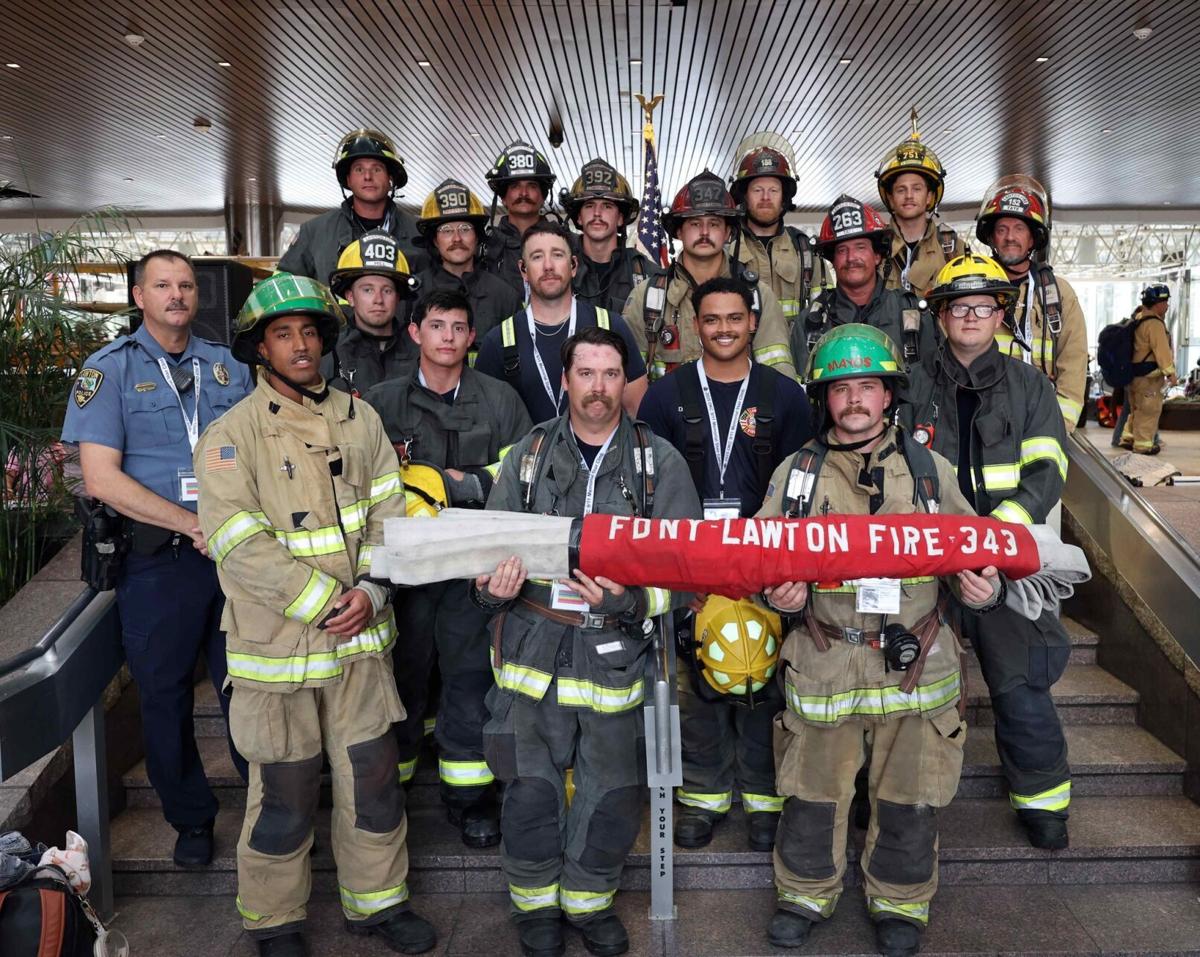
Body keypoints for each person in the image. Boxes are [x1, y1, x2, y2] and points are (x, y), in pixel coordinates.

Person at [194, 273, 435, 957]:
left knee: (376, 784)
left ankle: (379, 903)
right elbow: (238, 545)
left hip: (361, 652)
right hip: (278, 658)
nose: (300, 346)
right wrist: (328, 601)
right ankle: (275, 922)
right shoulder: (229, 437)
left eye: (309, 331)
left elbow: (393, 516)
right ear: (259, 349)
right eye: (283, 333)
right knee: (285, 797)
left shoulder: (363, 420)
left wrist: (373, 591)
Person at [759, 323, 1004, 957]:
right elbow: (760, 557)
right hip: (823, 659)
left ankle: (900, 899)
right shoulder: (797, 475)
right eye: (841, 389)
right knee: (812, 792)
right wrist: (776, 594)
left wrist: (986, 588)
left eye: (868, 385)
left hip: (915, 666)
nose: (855, 400)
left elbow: (974, 549)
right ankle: (805, 893)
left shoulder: (929, 471)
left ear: (889, 393)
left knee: (909, 796)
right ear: (825, 399)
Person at [474, 324, 701, 957]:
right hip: (532, 654)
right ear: (566, 379)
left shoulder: (661, 463)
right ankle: (535, 908)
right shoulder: (527, 455)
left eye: (609, 374)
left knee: (613, 792)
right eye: (585, 373)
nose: (598, 388)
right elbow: (485, 558)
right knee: (529, 790)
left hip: (616, 656)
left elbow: (683, 575)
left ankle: (590, 901)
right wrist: (493, 587)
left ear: (624, 381)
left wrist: (628, 601)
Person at [61, 249, 252, 868]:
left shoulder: (228, 368)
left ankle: (266, 809)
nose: (177, 295)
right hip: (158, 561)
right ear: (138, 297)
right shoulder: (108, 370)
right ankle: (191, 820)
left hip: (233, 559)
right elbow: (100, 479)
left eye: (187, 285)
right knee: (165, 697)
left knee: (248, 687)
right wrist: (191, 524)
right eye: (162, 285)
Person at [637, 275, 813, 852]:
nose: (723, 329)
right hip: (690, 557)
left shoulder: (786, 396)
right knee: (695, 675)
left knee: (764, 677)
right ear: (696, 325)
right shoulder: (666, 396)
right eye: (711, 320)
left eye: (734, 318)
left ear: (753, 321)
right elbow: (652, 481)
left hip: (763, 558)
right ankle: (705, 795)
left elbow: (803, 484)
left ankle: (764, 797)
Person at [904, 254, 1073, 852]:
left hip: (1003, 560)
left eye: (983, 307)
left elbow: (1047, 471)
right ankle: (902, 803)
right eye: (959, 307)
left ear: (1000, 315)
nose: (971, 317)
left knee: (1020, 678)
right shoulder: (912, 384)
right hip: (927, 562)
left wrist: (992, 543)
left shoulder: (1030, 386)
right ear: (942, 316)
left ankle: (1043, 800)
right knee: (904, 678)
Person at [363, 290, 532, 847]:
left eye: (459, 328)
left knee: (468, 678)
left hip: (473, 567)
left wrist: (457, 483)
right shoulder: (379, 403)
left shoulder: (500, 400)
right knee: (400, 675)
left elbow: (521, 472)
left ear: (470, 337)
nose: (448, 338)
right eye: (436, 326)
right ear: (415, 333)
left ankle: (467, 798)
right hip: (400, 571)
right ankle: (395, 792)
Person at [623, 170, 795, 382]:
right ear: (678, 231)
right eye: (695, 223)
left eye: (714, 224)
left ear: (728, 233)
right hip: (666, 415)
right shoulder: (646, 299)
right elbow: (629, 384)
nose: (704, 232)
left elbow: (779, 382)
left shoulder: (758, 296)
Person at [474, 222, 649, 423]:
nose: (548, 266)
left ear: (573, 266)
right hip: (526, 455)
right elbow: (484, 425)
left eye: (557, 255)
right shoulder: (499, 341)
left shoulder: (611, 327)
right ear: (523, 269)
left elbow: (637, 412)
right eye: (537, 257)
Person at [974, 175, 1087, 432]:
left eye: (1019, 229)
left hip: (1044, 419)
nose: (1009, 237)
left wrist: (1061, 424)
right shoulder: (975, 290)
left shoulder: (1058, 294)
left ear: (1033, 238)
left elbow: (1074, 360)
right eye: (1001, 229)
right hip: (984, 421)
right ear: (991, 238)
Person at [792, 195, 936, 378]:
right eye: (842, 250)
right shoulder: (810, 323)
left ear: (877, 256)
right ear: (833, 261)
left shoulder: (912, 312)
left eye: (860, 247)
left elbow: (931, 386)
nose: (851, 258)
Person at [278, 128, 425, 283]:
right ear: (348, 179)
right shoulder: (314, 232)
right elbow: (283, 285)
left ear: (390, 178)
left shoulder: (419, 234)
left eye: (377, 169)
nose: (368, 176)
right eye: (359, 169)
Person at [413, 179, 524, 348]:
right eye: (447, 230)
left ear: (477, 236)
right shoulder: (413, 295)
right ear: (435, 240)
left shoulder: (505, 296)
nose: (457, 238)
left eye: (465, 229)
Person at [728, 138, 827, 325]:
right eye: (757, 190)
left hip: (797, 352)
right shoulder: (727, 247)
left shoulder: (804, 249)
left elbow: (826, 306)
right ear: (744, 196)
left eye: (773, 190)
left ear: (784, 197)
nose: (766, 197)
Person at [873, 116, 964, 295]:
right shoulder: (875, 245)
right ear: (890, 198)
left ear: (929, 197)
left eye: (917, 189)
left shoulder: (951, 247)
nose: (908, 196)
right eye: (901, 190)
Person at [323, 230, 420, 395]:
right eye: (368, 290)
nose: (378, 299)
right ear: (350, 297)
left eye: (387, 291)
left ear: (398, 298)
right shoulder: (329, 351)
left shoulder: (421, 349)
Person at [561, 157, 657, 314]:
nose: (597, 214)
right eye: (589, 205)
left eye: (607, 206)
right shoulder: (559, 268)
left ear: (620, 218)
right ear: (579, 217)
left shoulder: (647, 274)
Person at [481, 140, 557, 295]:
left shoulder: (568, 244)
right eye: (515, 186)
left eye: (532, 186)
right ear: (502, 197)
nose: (523, 193)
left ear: (543, 195)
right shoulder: (484, 247)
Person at [1120, 283, 1176, 454]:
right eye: (1165, 302)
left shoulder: (1138, 319)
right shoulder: (1154, 324)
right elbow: (1162, 351)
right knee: (1149, 411)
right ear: (1158, 303)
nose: (1166, 306)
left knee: (1137, 410)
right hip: (1148, 378)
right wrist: (1171, 373)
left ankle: (1129, 438)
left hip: (1134, 376)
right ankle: (1143, 446)